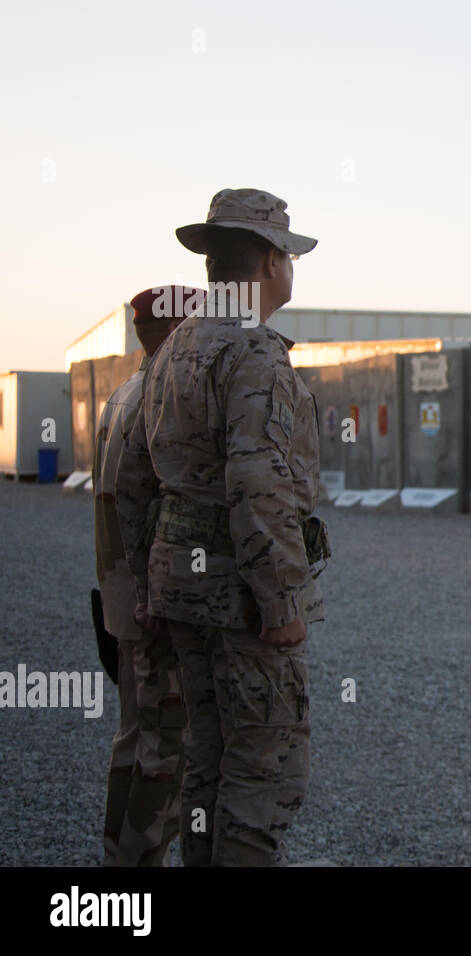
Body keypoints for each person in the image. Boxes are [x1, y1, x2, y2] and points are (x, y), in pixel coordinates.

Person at [118, 188, 326, 866]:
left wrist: (149, 585)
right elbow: (258, 483)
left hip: (181, 591)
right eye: (287, 256)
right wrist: (281, 600)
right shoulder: (255, 352)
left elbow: (144, 475)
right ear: (270, 263)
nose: (290, 268)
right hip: (240, 598)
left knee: (206, 761)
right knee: (262, 775)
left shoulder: (174, 348)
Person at [96, 285, 200, 866]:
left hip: (122, 604)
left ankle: (117, 863)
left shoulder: (123, 393)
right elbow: (159, 512)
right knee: (165, 755)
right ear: (178, 333)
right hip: (153, 607)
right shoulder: (163, 400)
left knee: (135, 740)